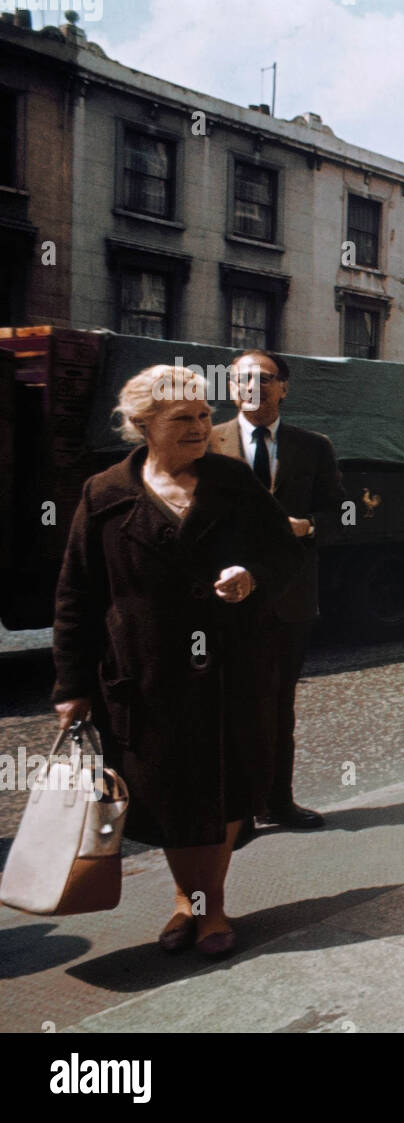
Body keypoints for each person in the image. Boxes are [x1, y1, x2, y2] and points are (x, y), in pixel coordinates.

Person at [52, 366, 303, 957]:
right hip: (142, 678)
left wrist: (253, 578)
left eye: (201, 415)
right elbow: (76, 597)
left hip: (229, 669)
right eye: (182, 419)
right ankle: (182, 899)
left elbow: (284, 553)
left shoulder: (233, 482)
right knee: (165, 794)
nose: (200, 427)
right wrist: (72, 687)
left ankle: (209, 907)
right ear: (144, 426)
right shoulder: (104, 494)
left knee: (223, 788)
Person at [210, 350, 346, 831]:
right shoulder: (207, 442)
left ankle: (277, 803)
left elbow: (341, 516)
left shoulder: (313, 447)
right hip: (225, 601)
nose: (252, 387)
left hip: (289, 599)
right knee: (227, 706)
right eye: (242, 379)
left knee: (277, 706)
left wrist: (307, 526)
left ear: (284, 387)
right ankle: (236, 812)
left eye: (264, 379)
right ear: (230, 388)